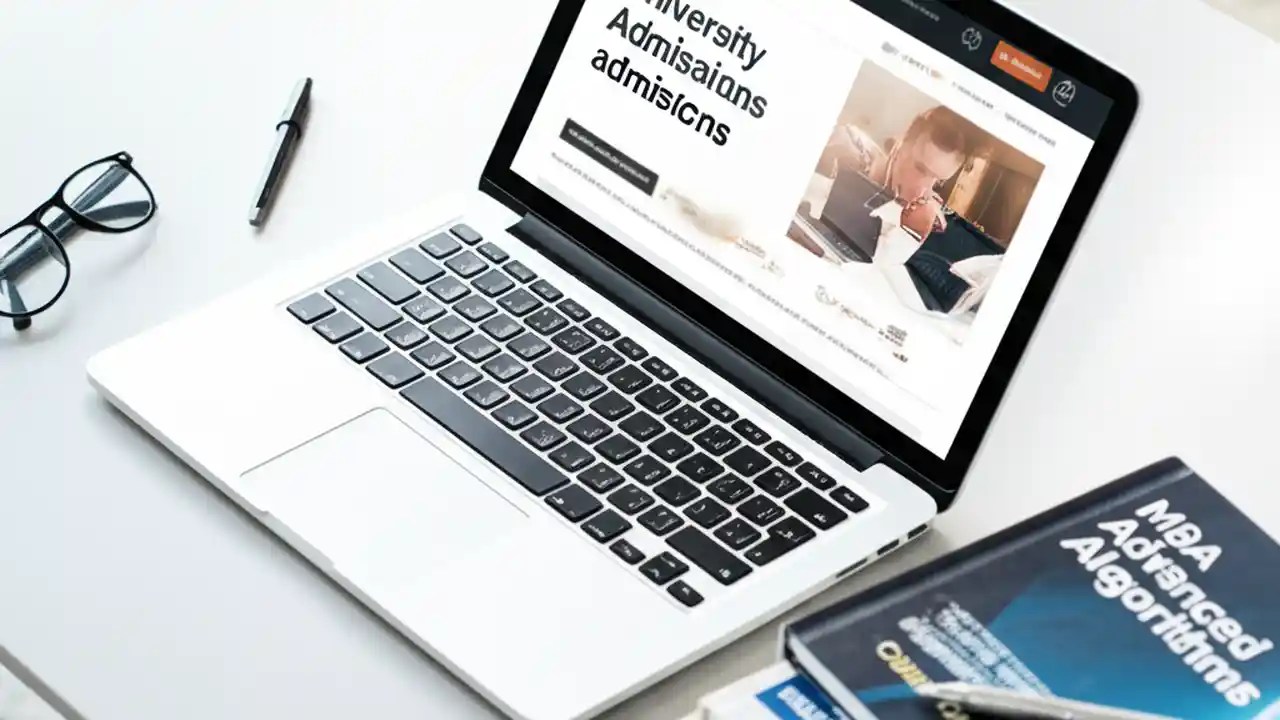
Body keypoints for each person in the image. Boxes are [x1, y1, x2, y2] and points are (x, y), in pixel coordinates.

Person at [810, 106, 982, 242]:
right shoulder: (843, 147)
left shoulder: (929, 211)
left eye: (938, 180)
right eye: (920, 169)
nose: (922, 191)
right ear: (902, 143)